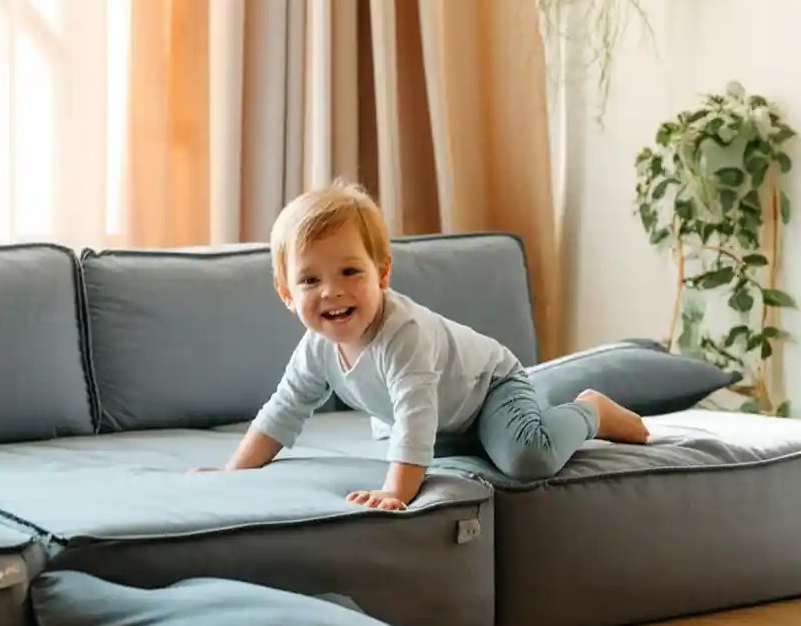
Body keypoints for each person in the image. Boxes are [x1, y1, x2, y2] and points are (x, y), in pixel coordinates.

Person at [198, 181, 649, 510]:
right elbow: (283, 412)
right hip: (444, 422)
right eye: (310, 280)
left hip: (488, 390)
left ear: (383, 273)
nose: (331, 291)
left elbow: (414, 416)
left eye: (350, 272)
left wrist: (394, 493)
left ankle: (591, 410)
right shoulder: (316, 348)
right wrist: (231, 474)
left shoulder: (403, 333)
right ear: (286, 294)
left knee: (526, 457)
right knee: (433, 453)